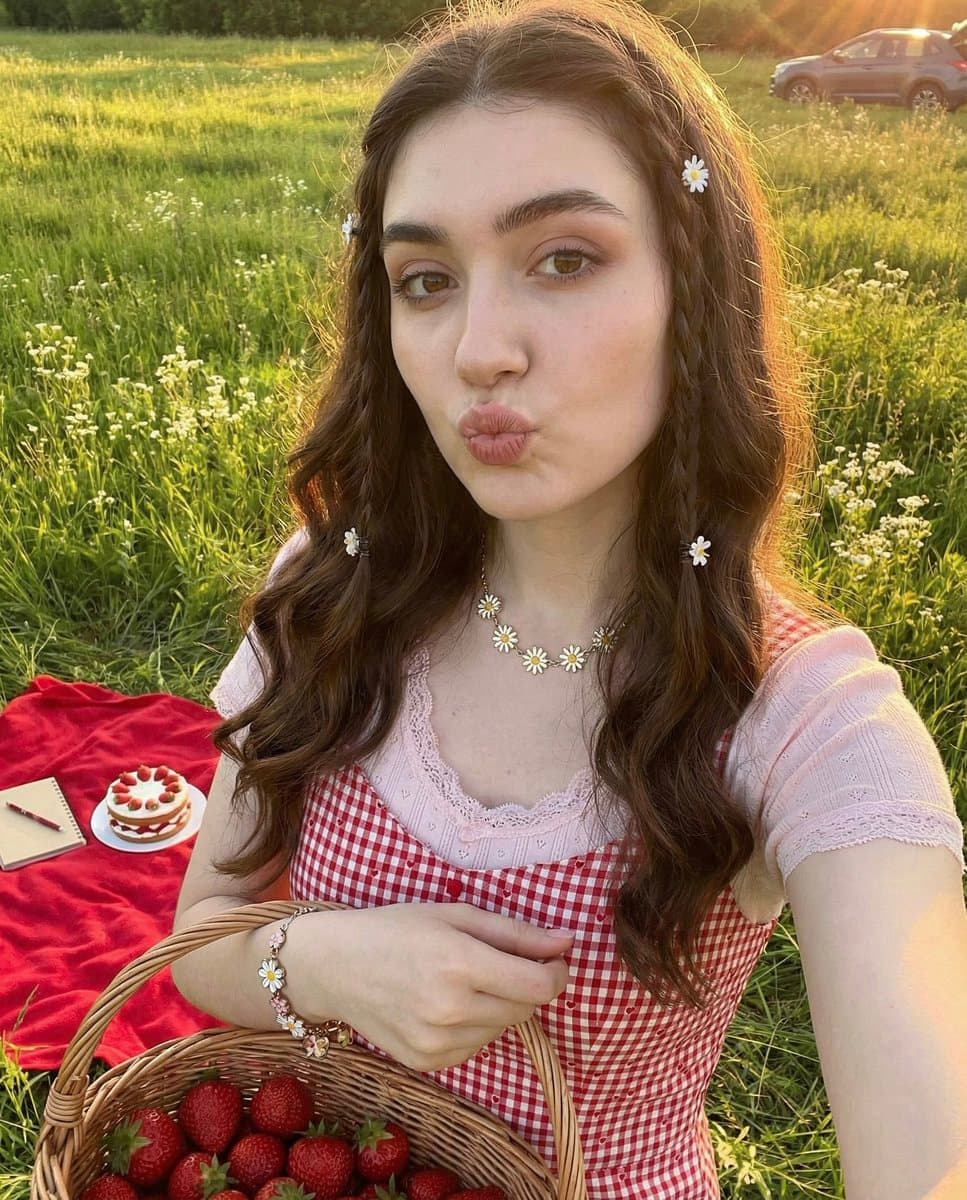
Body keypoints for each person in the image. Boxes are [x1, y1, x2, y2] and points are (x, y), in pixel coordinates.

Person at [171, 1, 967, 1196]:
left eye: (564, 259)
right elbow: (197, 938)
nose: (478, 348)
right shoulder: (330, 587)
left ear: (691, 289)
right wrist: (319, 959)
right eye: (426, 278)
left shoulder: (804, 717)